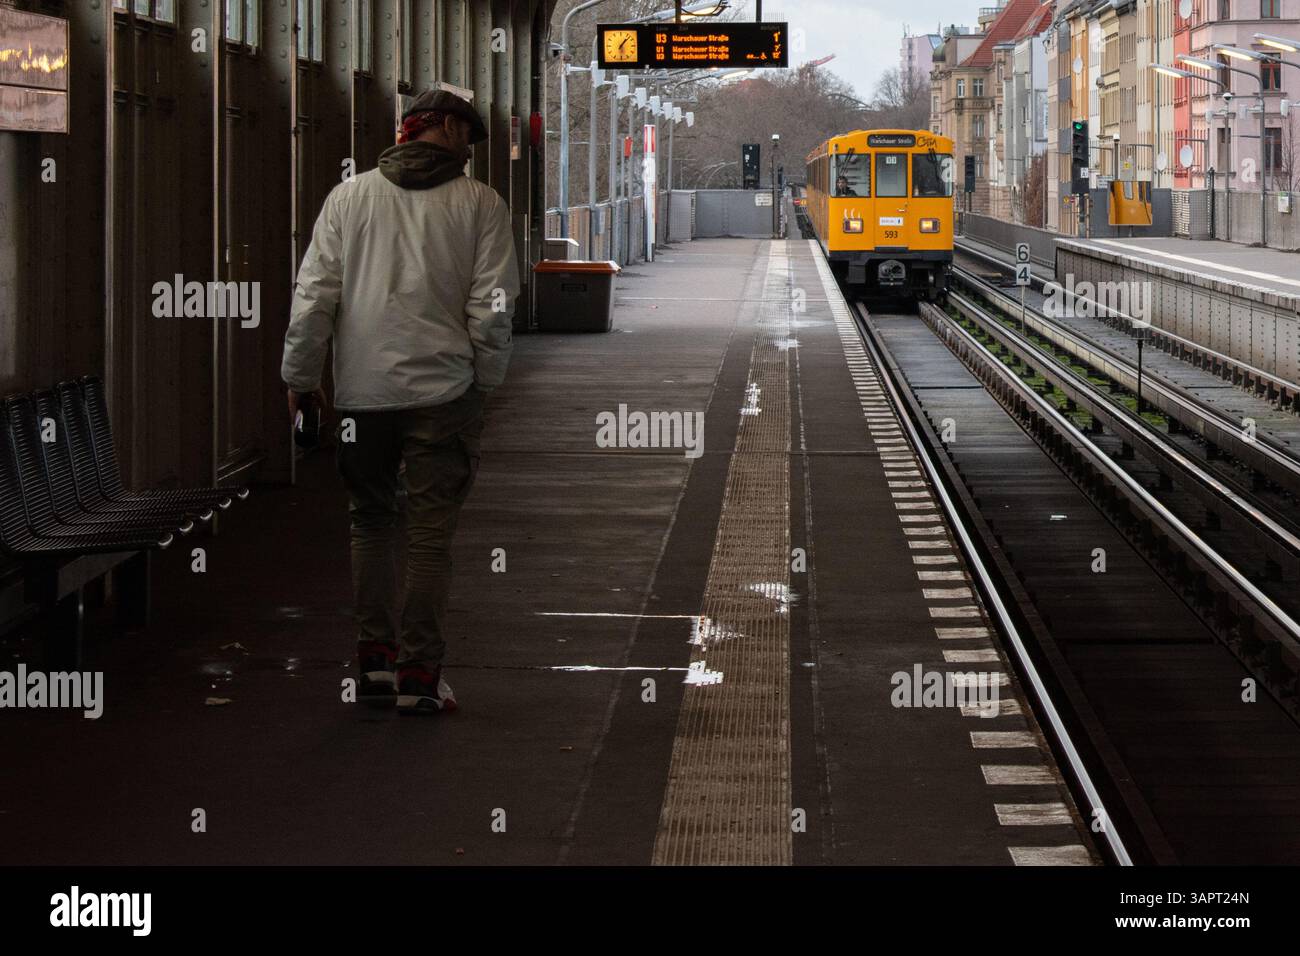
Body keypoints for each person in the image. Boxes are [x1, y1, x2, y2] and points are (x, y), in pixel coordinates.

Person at [281, 89, 519, 716]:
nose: (470, 149)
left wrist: (300, 378)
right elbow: (492, 309)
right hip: (445, 393)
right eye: (467, 134)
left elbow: (314, 298)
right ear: (442, 127)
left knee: (371, 520)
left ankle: (374, 666)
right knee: (430, 535)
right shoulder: (481, 205)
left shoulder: (348, 198)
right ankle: (420, 674)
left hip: (363, 397)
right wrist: (487, 381)